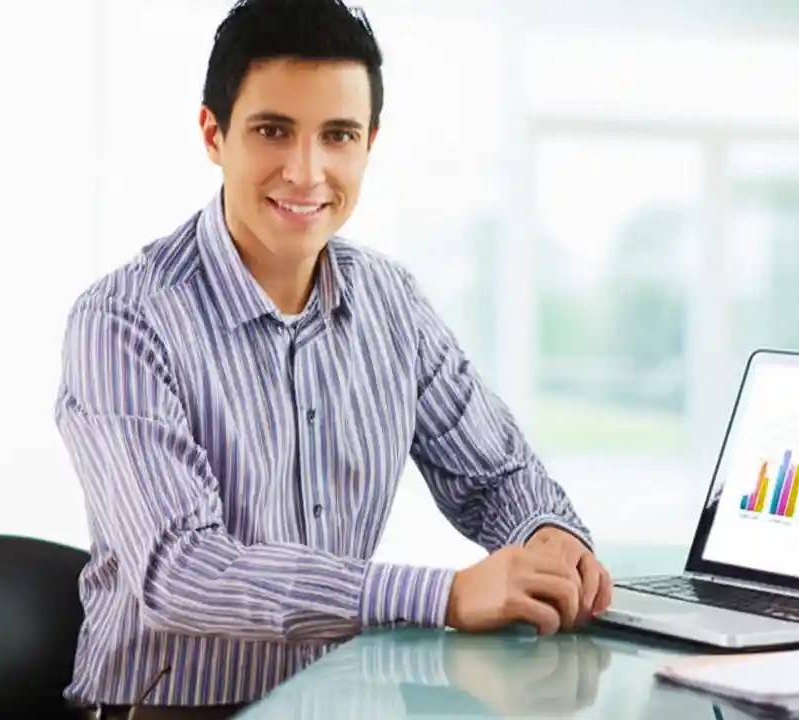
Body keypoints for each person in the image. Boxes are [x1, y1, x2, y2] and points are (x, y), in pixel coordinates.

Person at [55, 1, 611, 717]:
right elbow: (181, 570)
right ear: (214, 135)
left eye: (338, 136)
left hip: (338, 702)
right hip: (171, 710)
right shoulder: (123, 320)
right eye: (273, 131)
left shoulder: (391, 303)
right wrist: (443, 595)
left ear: (369, 144)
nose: (306, 171)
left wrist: (548, 538)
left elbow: (496, 476)